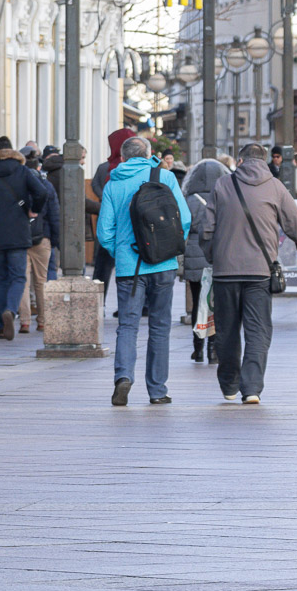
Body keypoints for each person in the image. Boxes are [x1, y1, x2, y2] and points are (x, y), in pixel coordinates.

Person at [202, 146, 297, 403]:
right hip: (260, 272)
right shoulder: (275, 186)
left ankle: (229, 385)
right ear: (264, 161)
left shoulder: (222, 184)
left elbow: (206, 229)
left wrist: (215, 256)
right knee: (258, 330)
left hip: (225, 272)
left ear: (240, 160)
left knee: (227, 330)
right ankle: (251, 388)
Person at [95, 137, 190, 405]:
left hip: (130, 268)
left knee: (128, 325)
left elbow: (104, 232)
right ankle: (158, 390)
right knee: (160, 326)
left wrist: (121, 252)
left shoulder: (113, 183)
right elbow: (184, 218)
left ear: (123, 158)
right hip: (163, 265)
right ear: (149, 155)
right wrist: (168, 248)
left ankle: (123, 377)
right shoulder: (166, 177)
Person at [0, 138, 47, 340]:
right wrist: (34, 210)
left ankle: (3, 327)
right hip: (18, 231)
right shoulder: (22, 171)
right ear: (11, 150)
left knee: (2, 279)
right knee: (18, 277)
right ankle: (11, 311)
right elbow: (41, 191)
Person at [180, 159, 226, 364]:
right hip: (217, 256)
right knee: (215, 304)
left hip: (194, 256)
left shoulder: (188, 200)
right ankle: (213, 349)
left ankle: (197, 348)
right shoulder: (224, 196)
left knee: (197, 303)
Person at [91, 128, 138, 303]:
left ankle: (98, 302)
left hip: (110, 223)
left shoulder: (105, 168)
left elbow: (95, 185)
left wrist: (105, 197)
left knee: (102, 266)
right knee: (134, 268)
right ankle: (133, 303)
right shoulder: (142, 168)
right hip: (134, 225)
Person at [18, 152, 58, 333]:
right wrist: (55, 239)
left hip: (22, 239)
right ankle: (43, 321)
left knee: (23, 282)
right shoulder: (47, 186)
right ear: (38, 167)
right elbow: (54, 215)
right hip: (43, 238)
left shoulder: (19, 186)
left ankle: (24, 321)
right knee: (41, 282)